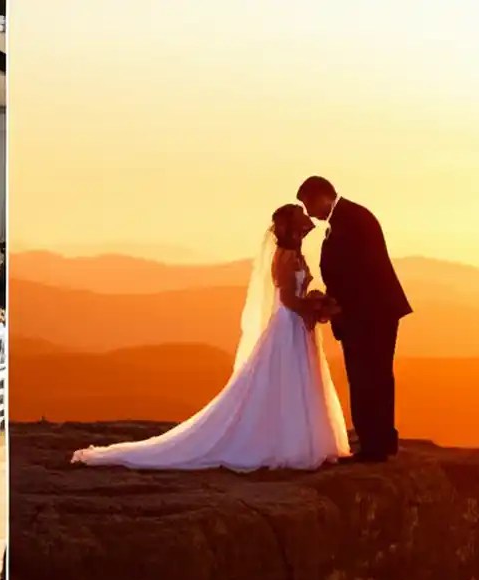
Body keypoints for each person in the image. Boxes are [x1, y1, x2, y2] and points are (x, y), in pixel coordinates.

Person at [72, 204, 350, 471]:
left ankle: (297, 440)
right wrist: (312, 307)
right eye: (300, 217)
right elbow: (288, 298)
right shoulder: (285, 257)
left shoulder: (296, 255)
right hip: (288, 324)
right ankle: (287, 443)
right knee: (285, 381)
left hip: (299, 326)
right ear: (290, 227)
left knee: (297, 381)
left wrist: (315, 305)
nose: (306, 222)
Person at [299, 175, 412, 462]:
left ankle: (375, 445)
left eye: (308, 204)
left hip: (369, 315)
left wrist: (338, 306)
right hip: (371, 312)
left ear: (322, 196)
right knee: (374, 376)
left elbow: (362, 273)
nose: (309, 212)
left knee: (367, 376)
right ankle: (380, 440)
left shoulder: (351, 220)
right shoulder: (347, 218)